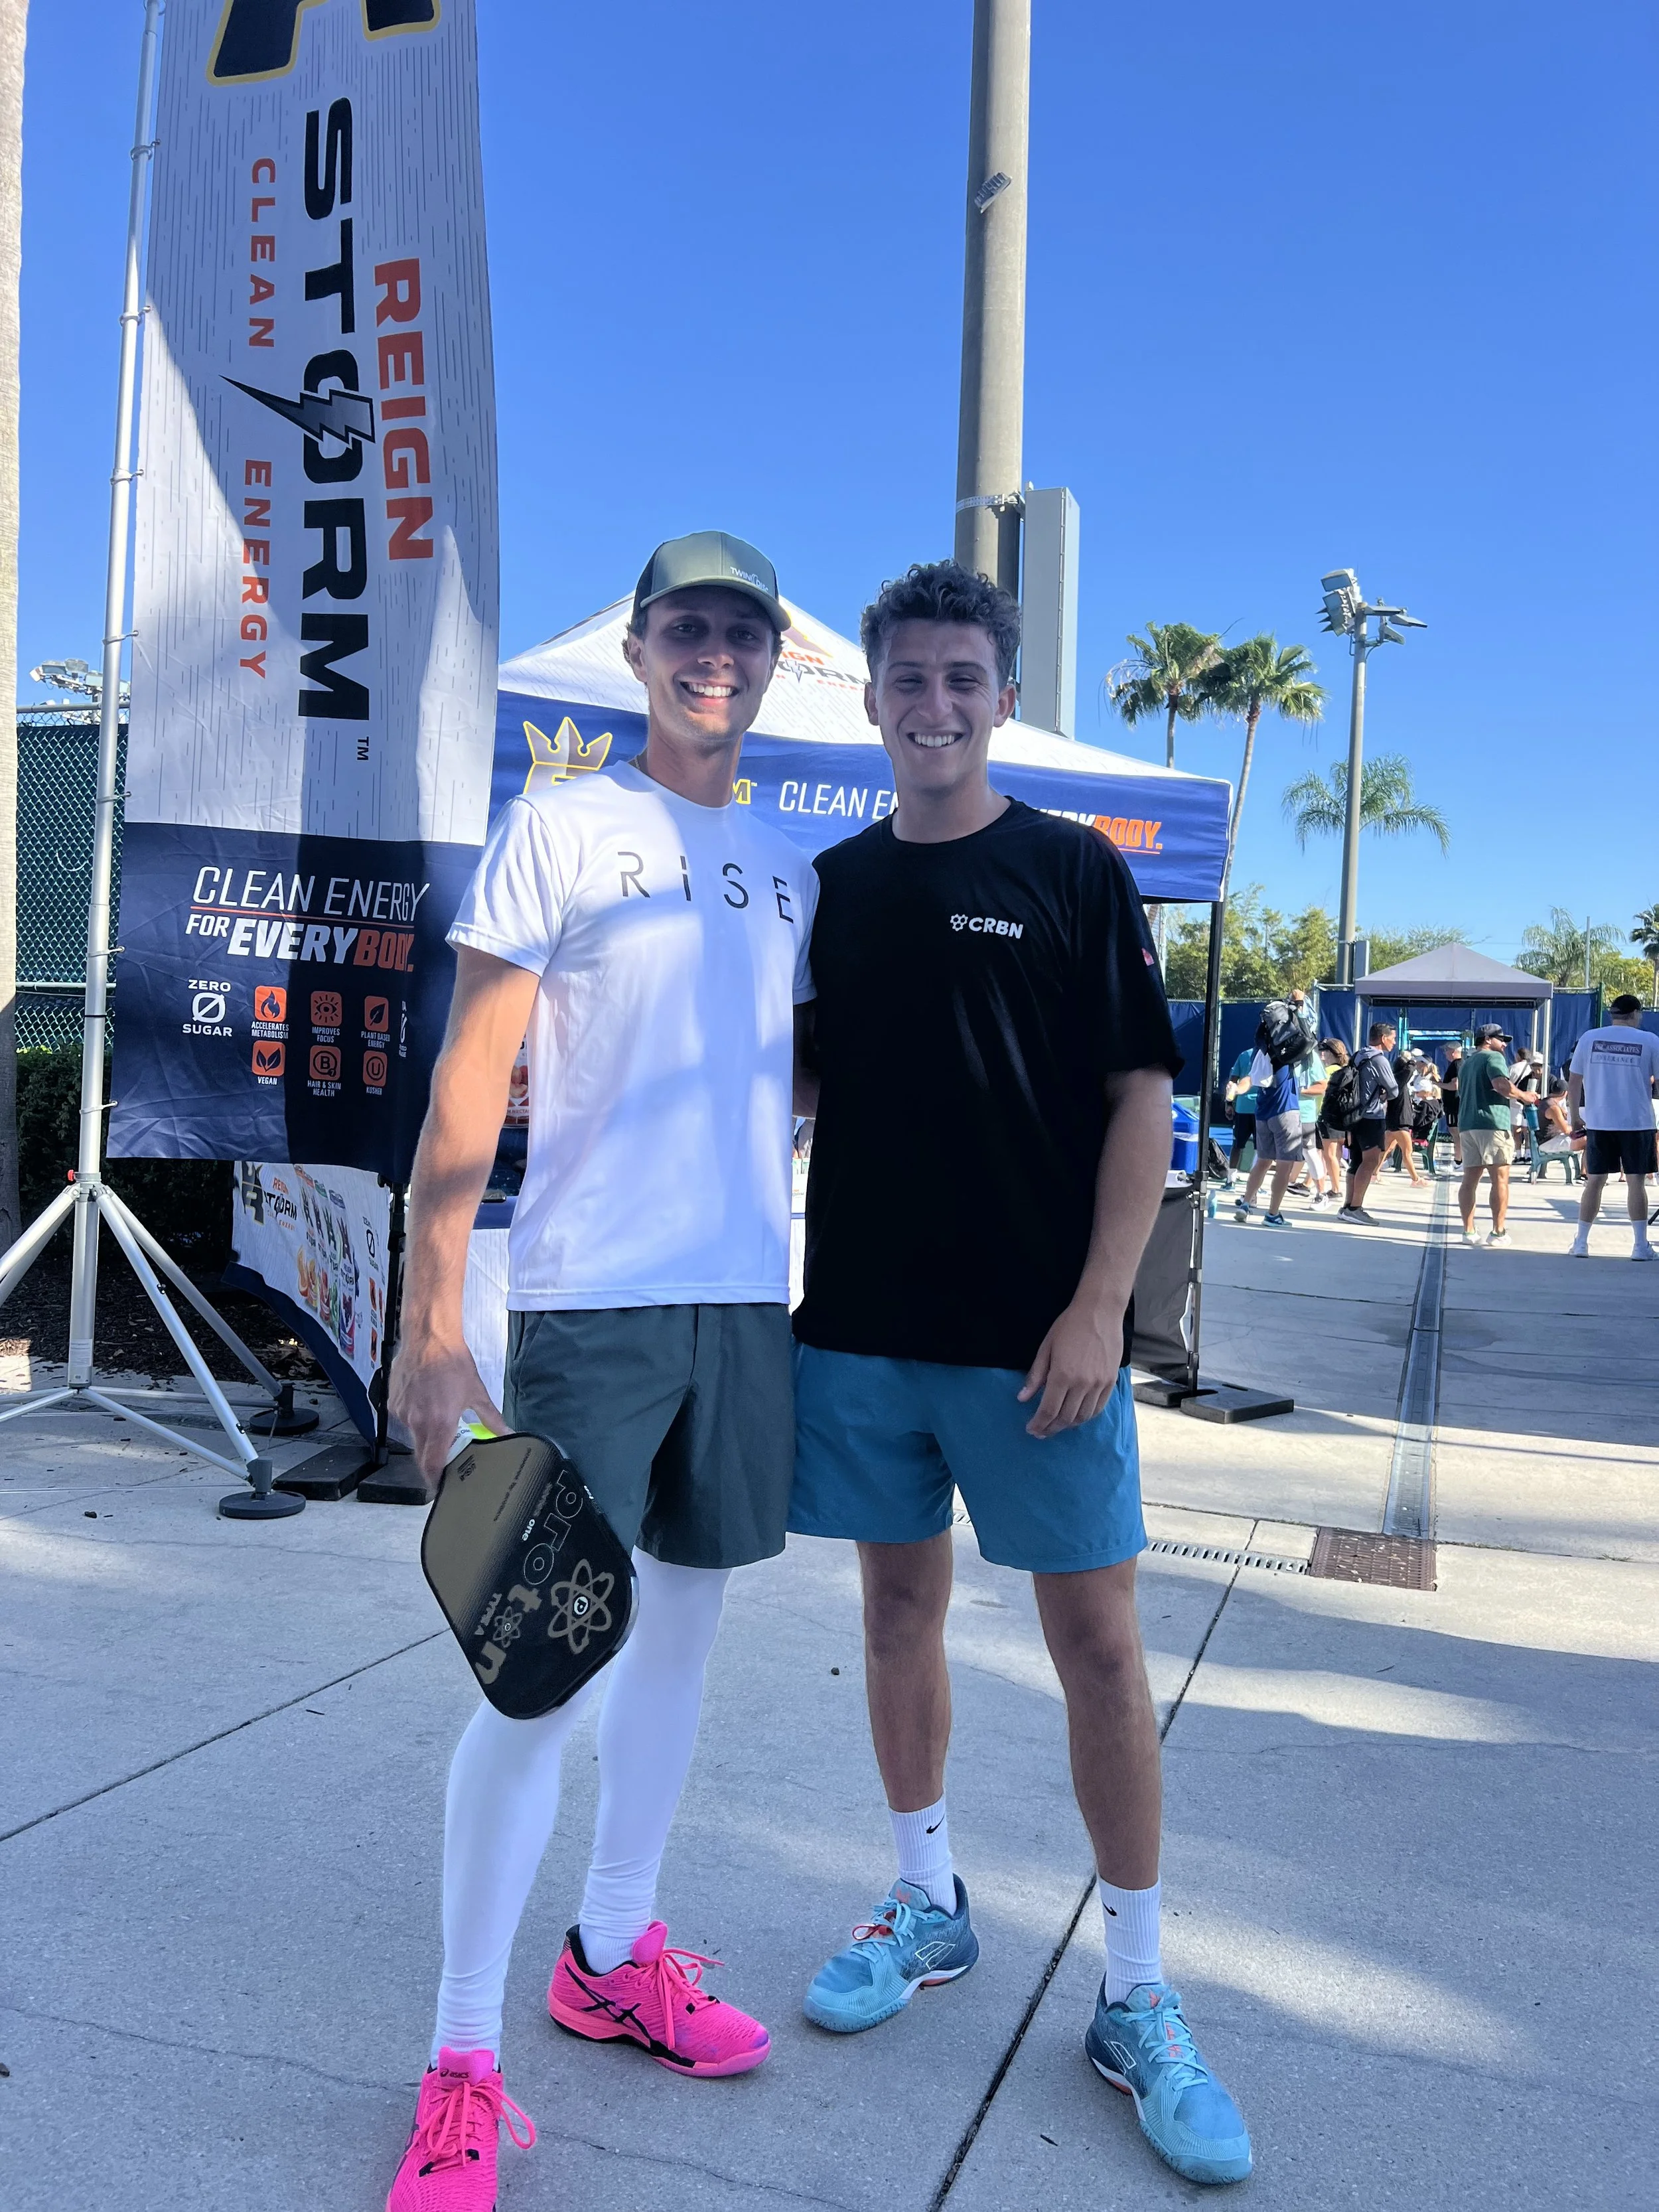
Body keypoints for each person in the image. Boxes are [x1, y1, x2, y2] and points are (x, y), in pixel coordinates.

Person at [789, 561, 1252, 2187]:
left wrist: (1099, 1308)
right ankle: (929, 1901)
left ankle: (1136, 1989)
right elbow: (780, 1095)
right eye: (906, 678)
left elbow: (1142, 1101)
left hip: (1037, 1344)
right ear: (872, 698)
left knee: (1100, 1651)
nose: (933, 705)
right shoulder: (830, 887)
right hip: (856, 1331)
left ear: (1001, 696)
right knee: (894, 1619)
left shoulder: (1070, 873)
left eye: (961, 680)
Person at [382, 534, 818, 2209]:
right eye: (688, 629)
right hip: (593, 1308)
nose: (715, 655)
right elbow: (468, 1085)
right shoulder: (560, 825)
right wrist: (432, 1330)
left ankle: (614, 1949)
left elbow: (795, 1091)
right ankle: (462, 2057)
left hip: (743, 1303)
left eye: (742, 633)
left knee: (682, 1649)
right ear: (641, 651)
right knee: (535, 1677)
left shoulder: (798, 872)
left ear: (774, 661)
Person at [1567, 994, 1659, 1260]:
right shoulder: (1650, 1040)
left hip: (1599, 1121)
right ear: (1636, 1014)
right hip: (1637, 1122)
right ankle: (1641, 1246)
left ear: (1613, 1014)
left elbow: (1574, 1082)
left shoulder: (1589, 1038)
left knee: (1594, 1182)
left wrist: (1575, 1116)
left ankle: (1582, 1242)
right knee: (1636, 1183)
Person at [1456, 1022, 1520, 1246]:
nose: (1504, 1045)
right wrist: (1524, 1095)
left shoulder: (1466, 1063)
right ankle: (1498, 1232)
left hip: (1467, 1124)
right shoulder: (1494, 1058)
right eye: (1501, 1039)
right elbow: (1502, 1085)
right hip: (1493, 1123)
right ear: (1487, 1040)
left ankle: (1468, 1231)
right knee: (1500, 1179)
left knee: (1469, 1181)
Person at [1233, 1034, 1303, 1228]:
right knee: (1284, 1166)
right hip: (1285, 1111)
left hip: (1262, 1113)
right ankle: (1273, 1214)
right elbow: (1307, 1035)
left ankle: (1246, 1203)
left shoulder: (1258, 1052)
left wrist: (1237, 1091)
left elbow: (1249, 1078)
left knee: (1262, 1161)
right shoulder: (1287, 1053)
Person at [1338, 1021, 1400, 1222]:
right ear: (1383, 1038)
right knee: (1370, 1161)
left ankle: (1347, 1206)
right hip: (1372, 1117)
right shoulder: (1380, 1060)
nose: (1394, 1042)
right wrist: (1383, 1096)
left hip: (1354, 1116)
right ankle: (1356, 1208)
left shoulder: (1357, 1056)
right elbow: (1394, 1090)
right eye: (1393, 1038)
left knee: (1355, 1161)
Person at [1379, 1043, 1425, 1186]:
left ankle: (1374, 1173)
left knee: (1386, 1150)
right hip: (1400, 1121)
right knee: (1407, 1152)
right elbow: (1410, 1070)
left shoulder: (1393, 1080)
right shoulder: (1399, 1080)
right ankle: (1415, 1179)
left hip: (1393, 1120)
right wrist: (1411, 1058)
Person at [1295, 1043, 1334, 1203]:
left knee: (1310, 1153)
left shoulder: (1310, 1058)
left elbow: (1322, 1086)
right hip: (1279, 1112)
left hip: (1305, 1115)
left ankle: (1321, 1194)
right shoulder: (1273, 1053)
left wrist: (1298, 1091)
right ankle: (1251, 1196)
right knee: (1266, 1154)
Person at [1315, 1038, 1350, 1199]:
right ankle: (1328, 1185)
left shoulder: (1329, 1072)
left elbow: (1321, 1091)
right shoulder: (1344, 1070)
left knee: (1327, 1155)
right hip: (1339, 1117)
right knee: (1332, 1155)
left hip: (1328, 1115)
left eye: (1325, 1050)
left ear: (1331, 1053)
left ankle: (1335, 1188)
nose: (1322, 1054)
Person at [1223, 1047, 1258, 1181]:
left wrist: (1229, 1103)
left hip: (1244, 1109)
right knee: (1260, 1149)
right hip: (1260, 1110)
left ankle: (1230, 1180)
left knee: (1238, 1145)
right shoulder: (1270, 1055)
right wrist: (1229, 1104)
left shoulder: (1244, 1054)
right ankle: (1254, 1183)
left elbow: (1233, 1080)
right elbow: (1233, 1081)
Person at [1440, 1043, 1463, 1165]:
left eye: (1447, 1051)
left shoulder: (1456, 1065)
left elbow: (1455, 1085)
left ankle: (1458, 1160)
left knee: (1456, 1132)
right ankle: (1459, 1159)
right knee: (1456, 1132)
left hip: (1454, 1104)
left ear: (1454, 1052)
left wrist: (1439, 1085)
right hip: (1455, 1104)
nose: (1445, 1054)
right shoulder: (1459, 1064)